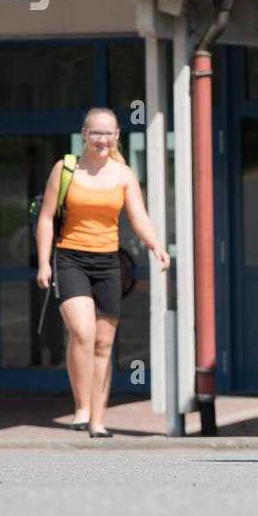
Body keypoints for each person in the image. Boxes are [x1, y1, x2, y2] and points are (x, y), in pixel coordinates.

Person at [35, 108, 170, 438]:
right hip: (70, 259)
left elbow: (139, 216)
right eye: (97, 133)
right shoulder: (65, 169)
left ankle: (97, 419)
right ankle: (81, 406)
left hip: (108, 263)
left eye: (110, 134)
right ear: (84, 133)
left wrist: (157, 247)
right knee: (82, 333)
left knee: (103, 345)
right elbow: (45, 217)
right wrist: (43, 263)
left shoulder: (124, 174)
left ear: (117, 137)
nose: (103, 140)